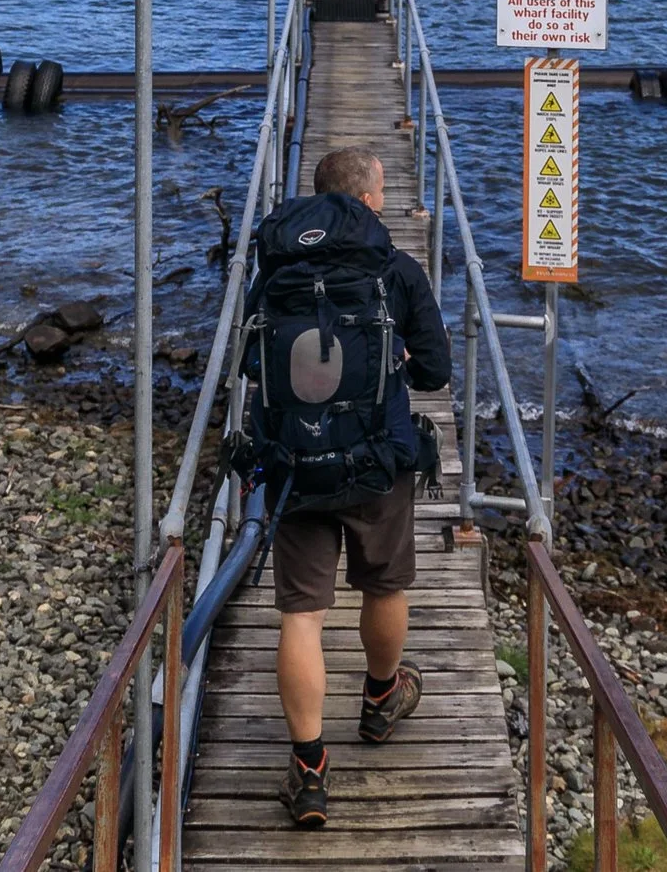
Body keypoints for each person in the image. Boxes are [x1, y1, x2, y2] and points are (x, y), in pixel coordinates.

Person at [256, 146, 451, 828]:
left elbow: (255, 365)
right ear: (371, 199)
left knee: (301, 613)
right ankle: (378, 702)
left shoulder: (277, 266)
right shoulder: (394, 268)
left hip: (294, 462)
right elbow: (434, 371)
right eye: (384, 190)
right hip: (375, 460)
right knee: (385, 584)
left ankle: (309, 771)